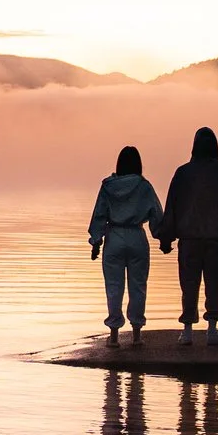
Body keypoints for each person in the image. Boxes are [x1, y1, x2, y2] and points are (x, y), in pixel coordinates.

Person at [159, 125, 218, 346]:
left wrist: (166, 238)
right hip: (217, 238)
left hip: (189, 239)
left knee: (189, 285)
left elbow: (172, 206)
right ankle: (212, 330)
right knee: (215, 285)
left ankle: (187, 331)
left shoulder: (183, 173)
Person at [87, 145, 165, 345]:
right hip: (136, 235)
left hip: (114, 236)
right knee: (138, 286)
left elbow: (99, 215)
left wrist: (96, 241)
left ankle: (114, 335)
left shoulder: (108, 186)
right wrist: (162, 238)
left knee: (114, 286)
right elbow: (156, 213)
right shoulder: (144, 186)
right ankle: (137, 334)